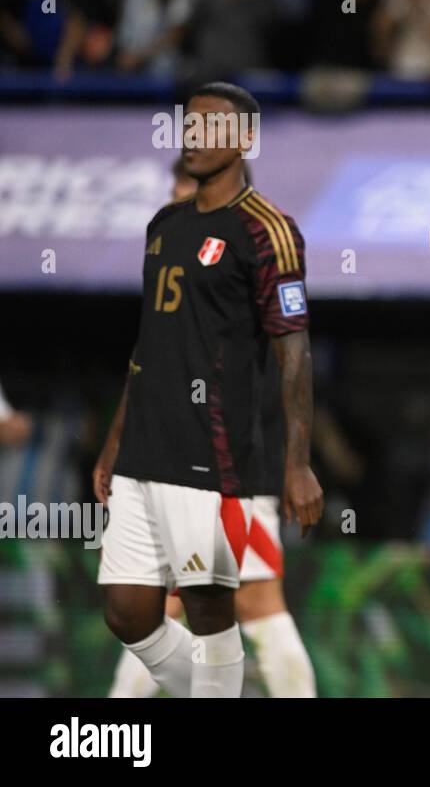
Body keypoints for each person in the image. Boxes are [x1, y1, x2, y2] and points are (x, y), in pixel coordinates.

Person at [94, 82, 322, 698]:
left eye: (212, 127)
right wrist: (114, 442)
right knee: (127, 613)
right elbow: (148, 345)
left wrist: (297, 463)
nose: (194, 138)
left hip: (211, 455)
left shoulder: (268, 229)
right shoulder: (163, 225)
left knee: (211, 610)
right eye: (187, 126)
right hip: (143, 449)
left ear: (246, 139)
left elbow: (294, 350)